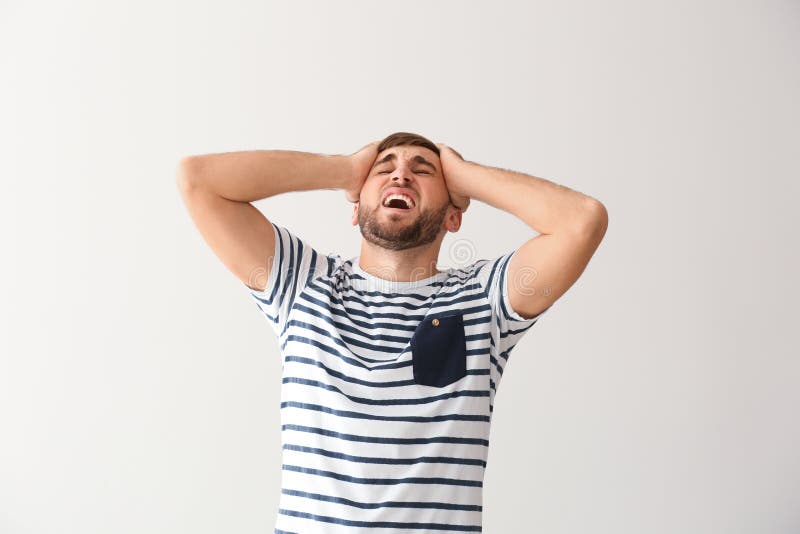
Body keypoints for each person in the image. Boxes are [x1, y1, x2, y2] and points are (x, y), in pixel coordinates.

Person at [176, 131, 607, 533]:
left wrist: (463, 175)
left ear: (453, 216)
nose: (400, 174)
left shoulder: (484, 301)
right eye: (383, 168)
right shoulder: (301, 285)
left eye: (423, 170)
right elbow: (199, 180)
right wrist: (343, 170)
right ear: (355, 208)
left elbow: (582, 221)